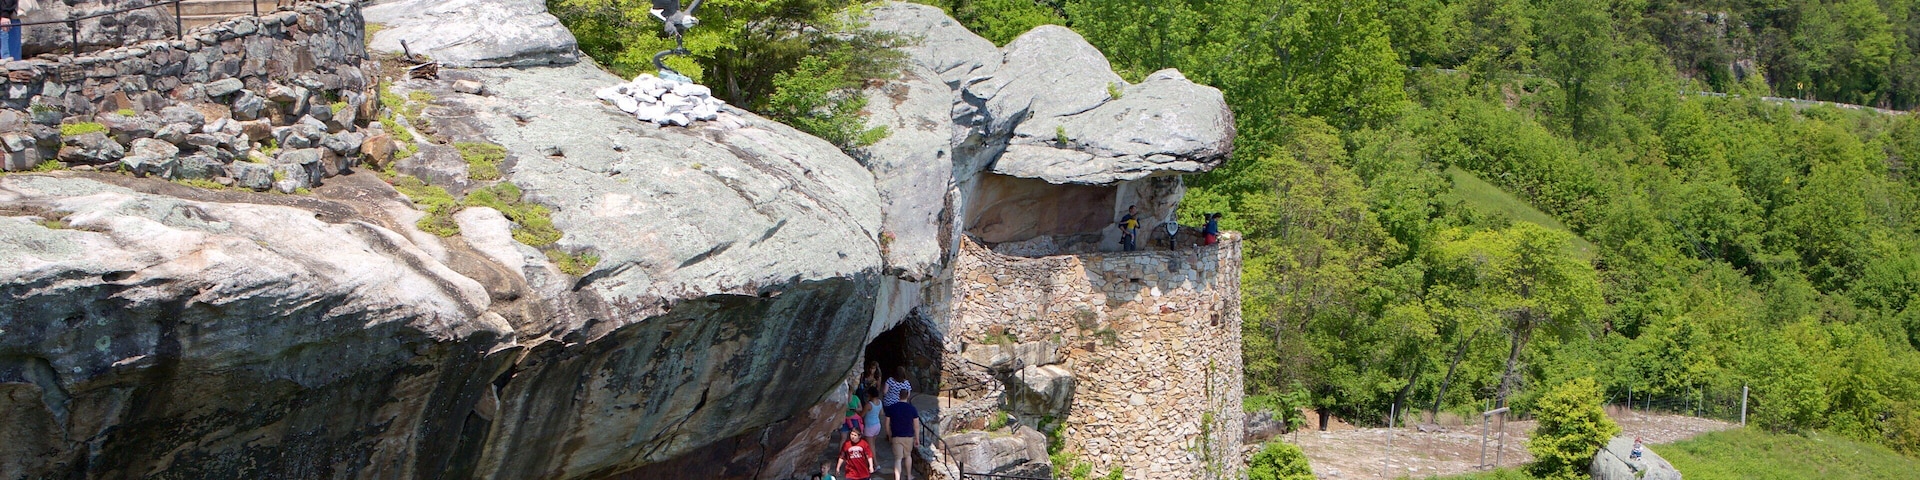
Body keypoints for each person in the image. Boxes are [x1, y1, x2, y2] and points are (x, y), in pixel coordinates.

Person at [884, 398, 921, 480]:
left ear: (898, 396)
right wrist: (917, 438)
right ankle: (909, 475)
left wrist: (889, 435)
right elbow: (916, 426)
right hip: (909, 436)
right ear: (907, 395)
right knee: (908, 456)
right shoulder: (912, 408)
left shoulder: (892, 408)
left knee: (898, 459)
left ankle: (897, 478)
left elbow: (886, 424)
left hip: (896, 436)